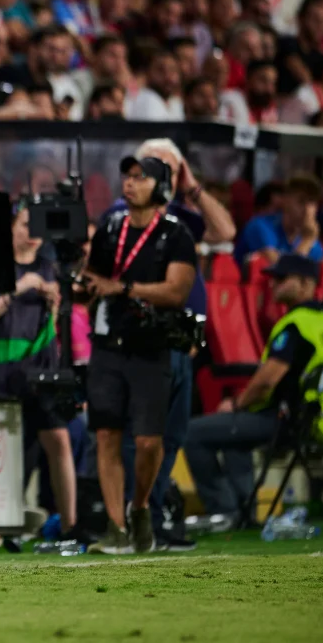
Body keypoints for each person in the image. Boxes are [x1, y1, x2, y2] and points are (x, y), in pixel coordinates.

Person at [102, 138, 235, 551]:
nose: (155, 173)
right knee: (138, 437)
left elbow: (226, 231)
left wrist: (190, 185)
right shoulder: (123, 218)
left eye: (166, 167)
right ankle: (135, 518)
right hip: (139, 344)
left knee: (168, 437)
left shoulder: (180, 216)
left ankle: (155, 516)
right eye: (147, 165)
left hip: (182, 344)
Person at [80, 156, 197, 554]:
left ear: (161, 187)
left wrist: (124, 289)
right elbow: (94, 280)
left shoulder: (176, 234)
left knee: (148, 441)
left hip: (152, 347)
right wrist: (81, 283)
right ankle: (115, 527)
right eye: (126, 177)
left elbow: (176, 291)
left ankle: (140, 507)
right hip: (108, 345)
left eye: (140, 178)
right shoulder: (110, 229)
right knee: (107, 435)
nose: (129, 184)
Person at [184, 255, 323, 525]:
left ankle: (225, 511)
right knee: (233, 436)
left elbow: (268, 380)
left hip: (281, 420)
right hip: (315, 421)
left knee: (192, 433)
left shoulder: (296, 324)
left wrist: (238, 404)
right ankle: (246, 512)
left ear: (305, 284)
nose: (273, 284)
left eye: (281, 279)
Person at [0, 203, 77, 541]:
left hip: (40, 374)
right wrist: (18, 289)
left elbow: (57, 331)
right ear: (11, 226)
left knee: (59, 438)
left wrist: (54, 303)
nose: (32, 234)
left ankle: (71, 526)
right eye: (26, 224)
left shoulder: (51, 269)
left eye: (37, 227)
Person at [236, 175, 323, 265]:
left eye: (312, 203)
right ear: (286, 200)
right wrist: (306, 241)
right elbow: (281, 271)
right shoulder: (259, 226)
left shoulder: (314, 244)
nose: (307, 210)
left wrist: (307, 241)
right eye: (301, 201)